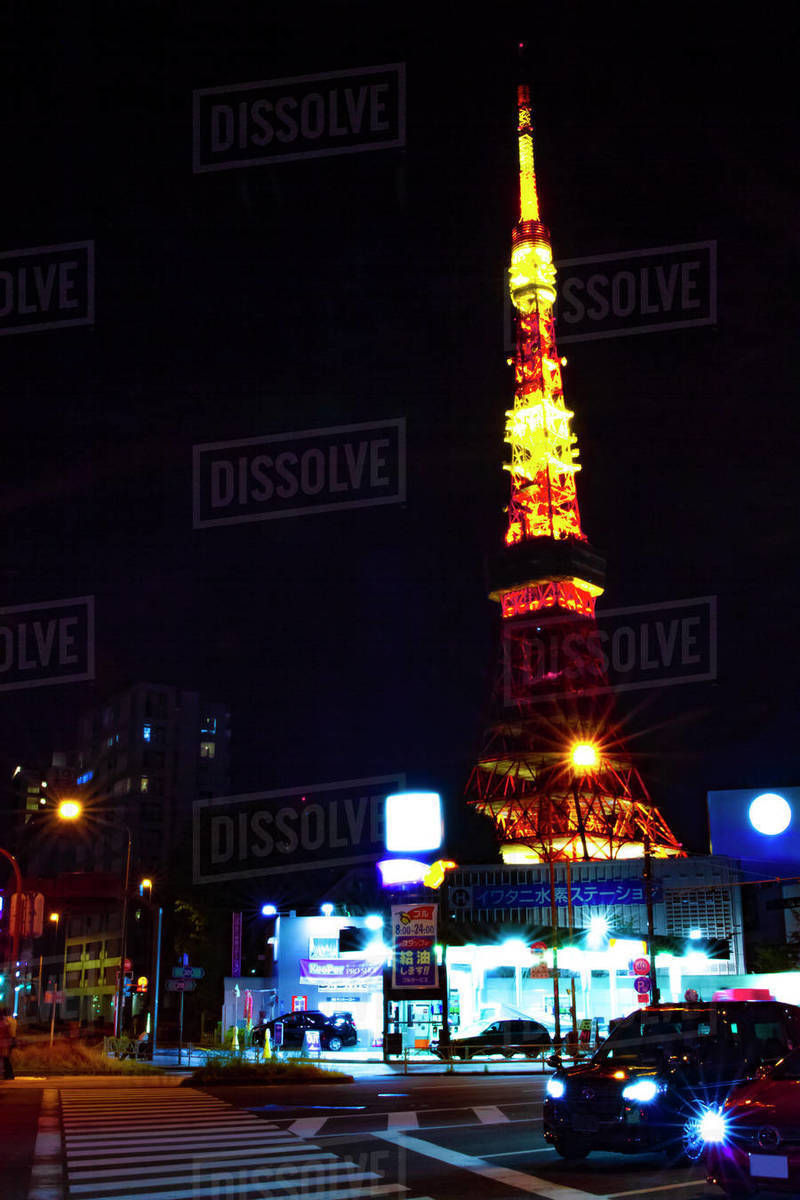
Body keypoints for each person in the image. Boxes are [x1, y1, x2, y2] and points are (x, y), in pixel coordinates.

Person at [0, 1009, 14, 1080]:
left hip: (2, 1044)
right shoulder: (6, 1022)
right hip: (6, 1044)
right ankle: (9, 1075)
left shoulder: (2, 1023)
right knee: (6, 1060)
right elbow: (9, 1033)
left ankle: (8, 1075)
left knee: (5, 1060)